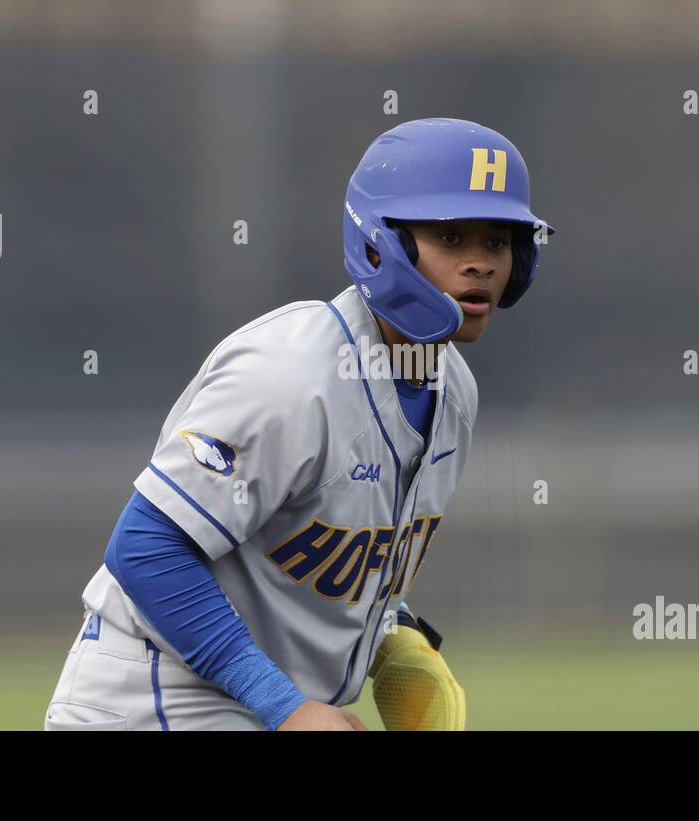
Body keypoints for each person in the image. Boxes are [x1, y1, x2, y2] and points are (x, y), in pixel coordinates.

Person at [44, 117, 553, 730]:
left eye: (497, 242)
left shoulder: (454, 394)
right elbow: (148, 546)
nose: (480, 264)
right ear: (379, 242)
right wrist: (284, 708)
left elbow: (335, 558)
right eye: (450, 235)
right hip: (153, 701)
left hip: (250, 704)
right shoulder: (292, 373)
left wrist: (397, 641)